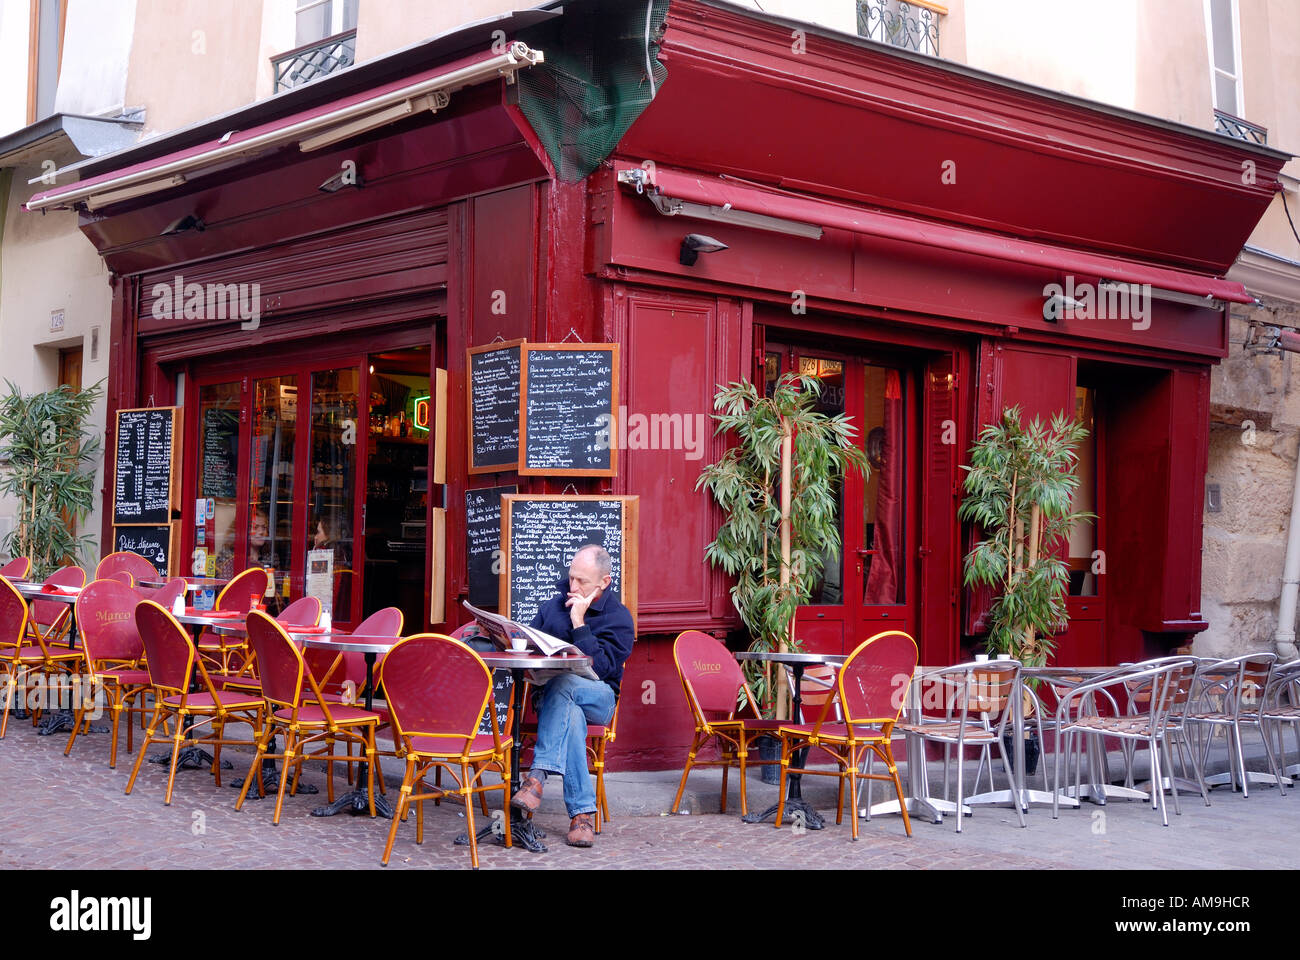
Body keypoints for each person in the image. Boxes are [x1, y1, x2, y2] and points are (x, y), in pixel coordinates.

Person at [510, 544, 634, 847]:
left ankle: (537, 776)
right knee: (572, 719)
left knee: (567, 686)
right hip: (552, 699)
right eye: (571, 578)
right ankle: (581, 817)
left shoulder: (619, 618)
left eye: (582, 582)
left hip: (600, 698)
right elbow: (531, 648)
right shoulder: (553, 606)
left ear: (604, 582)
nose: (573, 587)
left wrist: (580, 624)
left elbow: (604, 670)